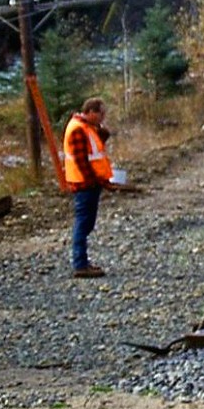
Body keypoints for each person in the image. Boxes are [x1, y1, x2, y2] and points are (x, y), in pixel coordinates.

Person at [63, 97, 118, 277]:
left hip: (88, 183)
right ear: (91, 113)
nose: (103, 118)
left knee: (86, 223)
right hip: (84, 184)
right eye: (101, 114)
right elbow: (82, 162)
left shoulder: (86, 128)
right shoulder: (78, 130)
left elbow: (98, 145)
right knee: (83, 224)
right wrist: (96, 181)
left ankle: (82, 262)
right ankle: (80, 264)